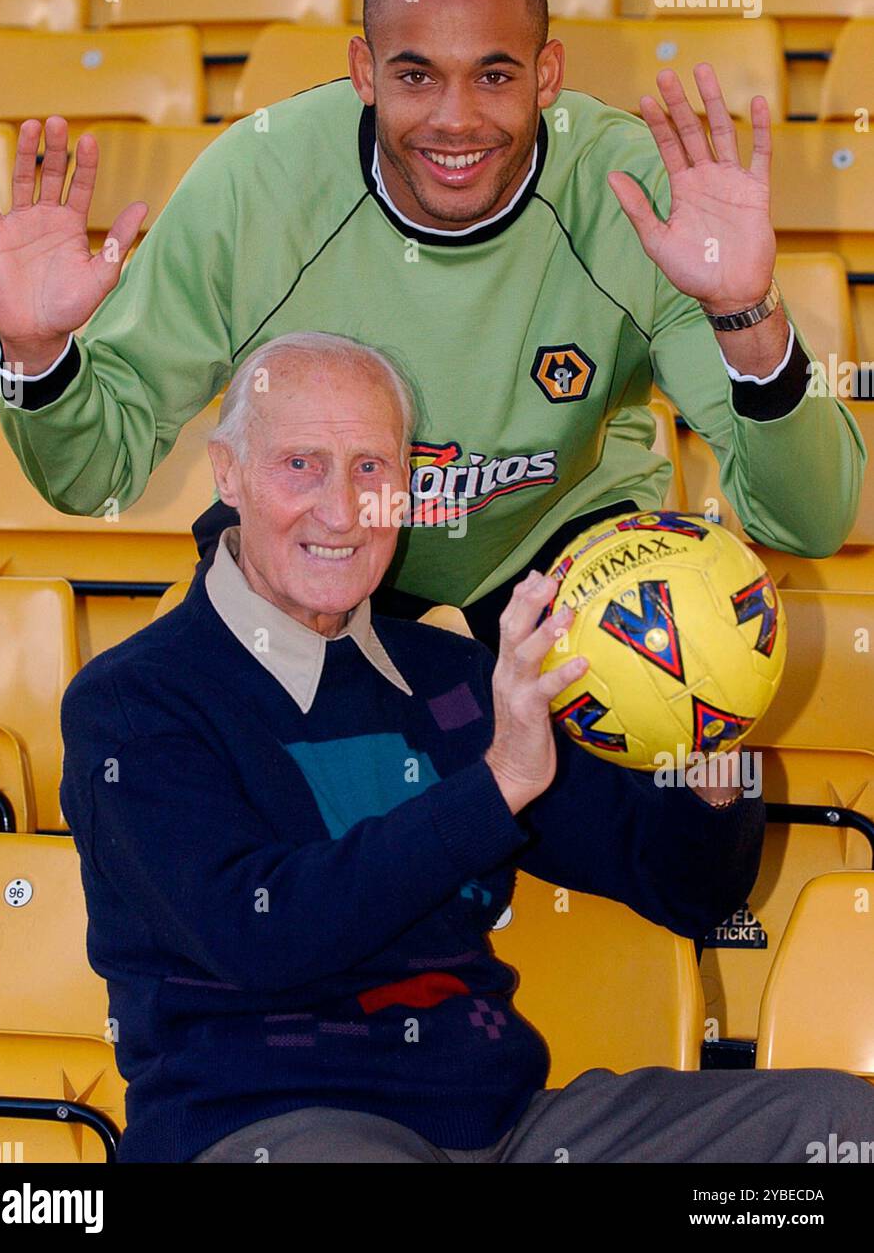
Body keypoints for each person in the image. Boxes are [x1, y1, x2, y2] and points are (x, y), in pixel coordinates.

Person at [59, 333, 874, 1164]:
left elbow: (686, 889)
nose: (343, 511)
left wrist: (708, 737)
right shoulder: (133, 702)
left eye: (372, 469)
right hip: (266, 1132)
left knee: (840, 1132)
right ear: (226, 472)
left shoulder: (453, 681)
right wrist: (494, 787)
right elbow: (256, 935)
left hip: (508, 1130)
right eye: (301, 464)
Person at [0, 0, 866, 654]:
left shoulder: (637, 195)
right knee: (165, 734)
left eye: (494, 74)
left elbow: (810, 522)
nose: (455, 119)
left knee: (687, 779)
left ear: (547, 75)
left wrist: (743, 312)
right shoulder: (255, 186)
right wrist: (35, 354)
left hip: (561, 541)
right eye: (415, 76)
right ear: (364, 73)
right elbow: (93, 475)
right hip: (323, 538)